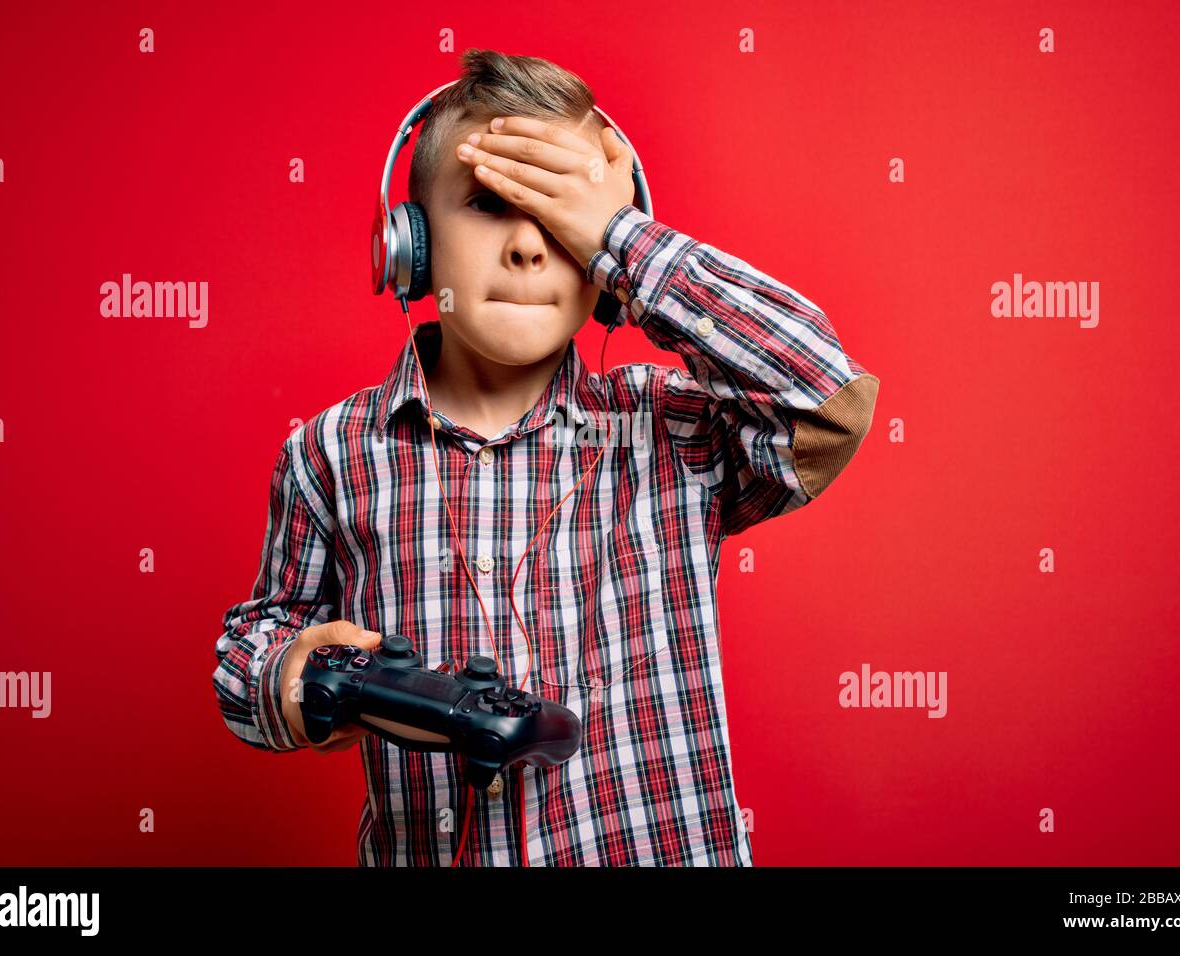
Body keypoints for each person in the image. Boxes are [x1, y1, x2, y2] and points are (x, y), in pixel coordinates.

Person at [212, 48, 880, 866]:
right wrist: (286, 673)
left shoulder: (670, 429)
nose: (530, 246)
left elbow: (825, 401)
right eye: (489, 203)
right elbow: (255, 639)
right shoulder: (330, 453)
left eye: (563, 218)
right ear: (410, 245)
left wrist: (622, 240)